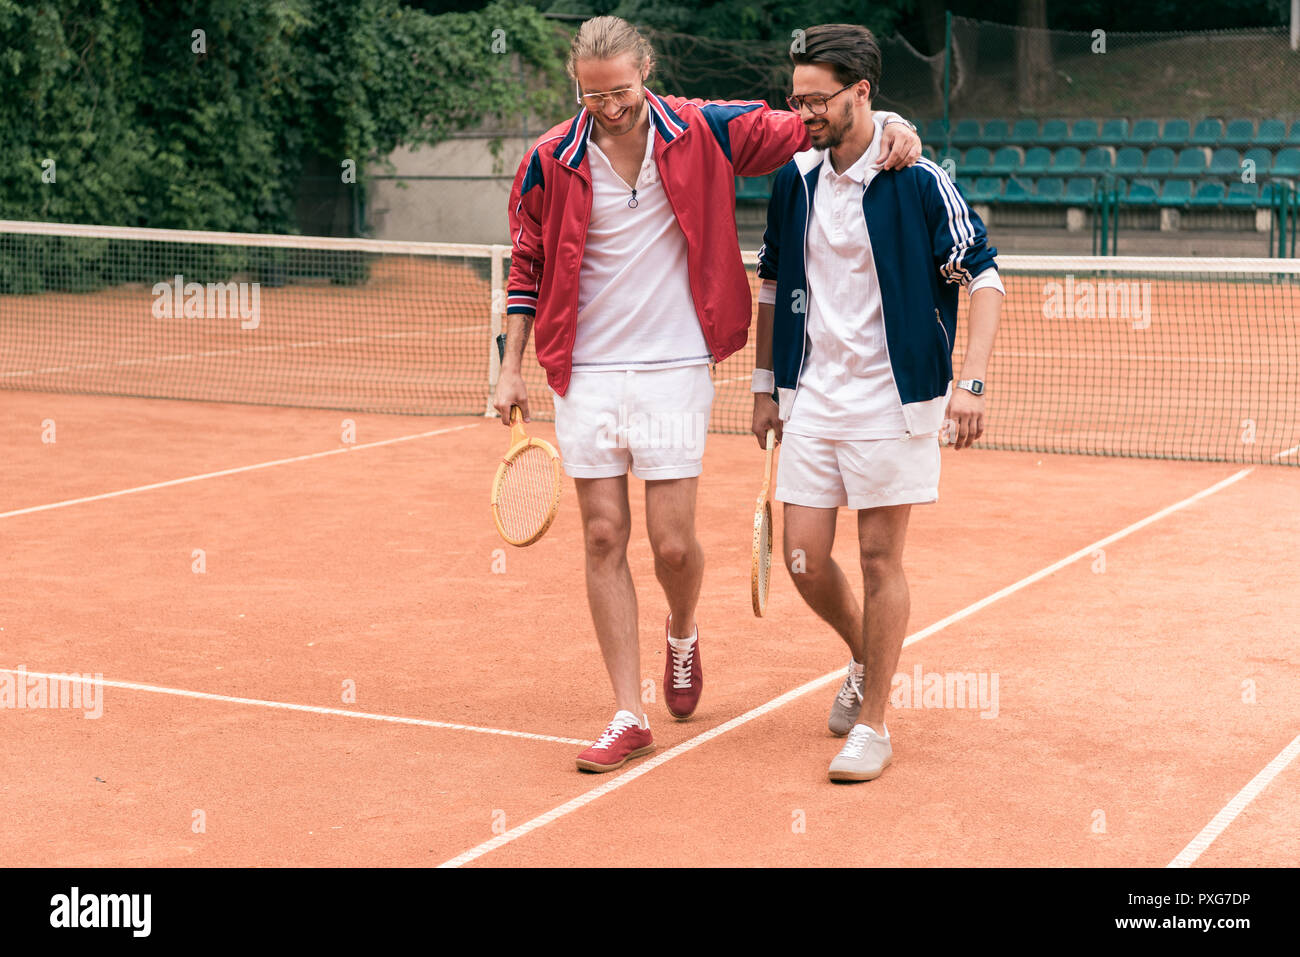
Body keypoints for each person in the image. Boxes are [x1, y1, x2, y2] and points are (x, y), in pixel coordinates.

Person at [494, 15, 922, 773]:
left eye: (621, 90)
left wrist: (892, 121)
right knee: (600, 534)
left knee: (671, 543)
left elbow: (808, 120)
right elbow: (525, 264)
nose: (609, 107)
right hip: (584, 366)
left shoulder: (702, 130)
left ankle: (682, 629)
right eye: (593, 96)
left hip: (674, 364)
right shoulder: (548, 160)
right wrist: (509, 365)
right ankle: (629, 710)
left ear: (645, 73)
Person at [751, 23, 1003, 783]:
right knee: (802, 557)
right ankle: (866, 655)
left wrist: (973, 381)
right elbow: (771, 282)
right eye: (795, 101)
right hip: (813, 397)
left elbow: (984, 275)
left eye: (817, 100)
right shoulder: (794, 179)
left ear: (862, 91)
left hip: (895, 400)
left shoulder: (920, 179)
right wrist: (765, 385)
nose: (804, 115)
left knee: (878, 555)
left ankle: (876, 722)